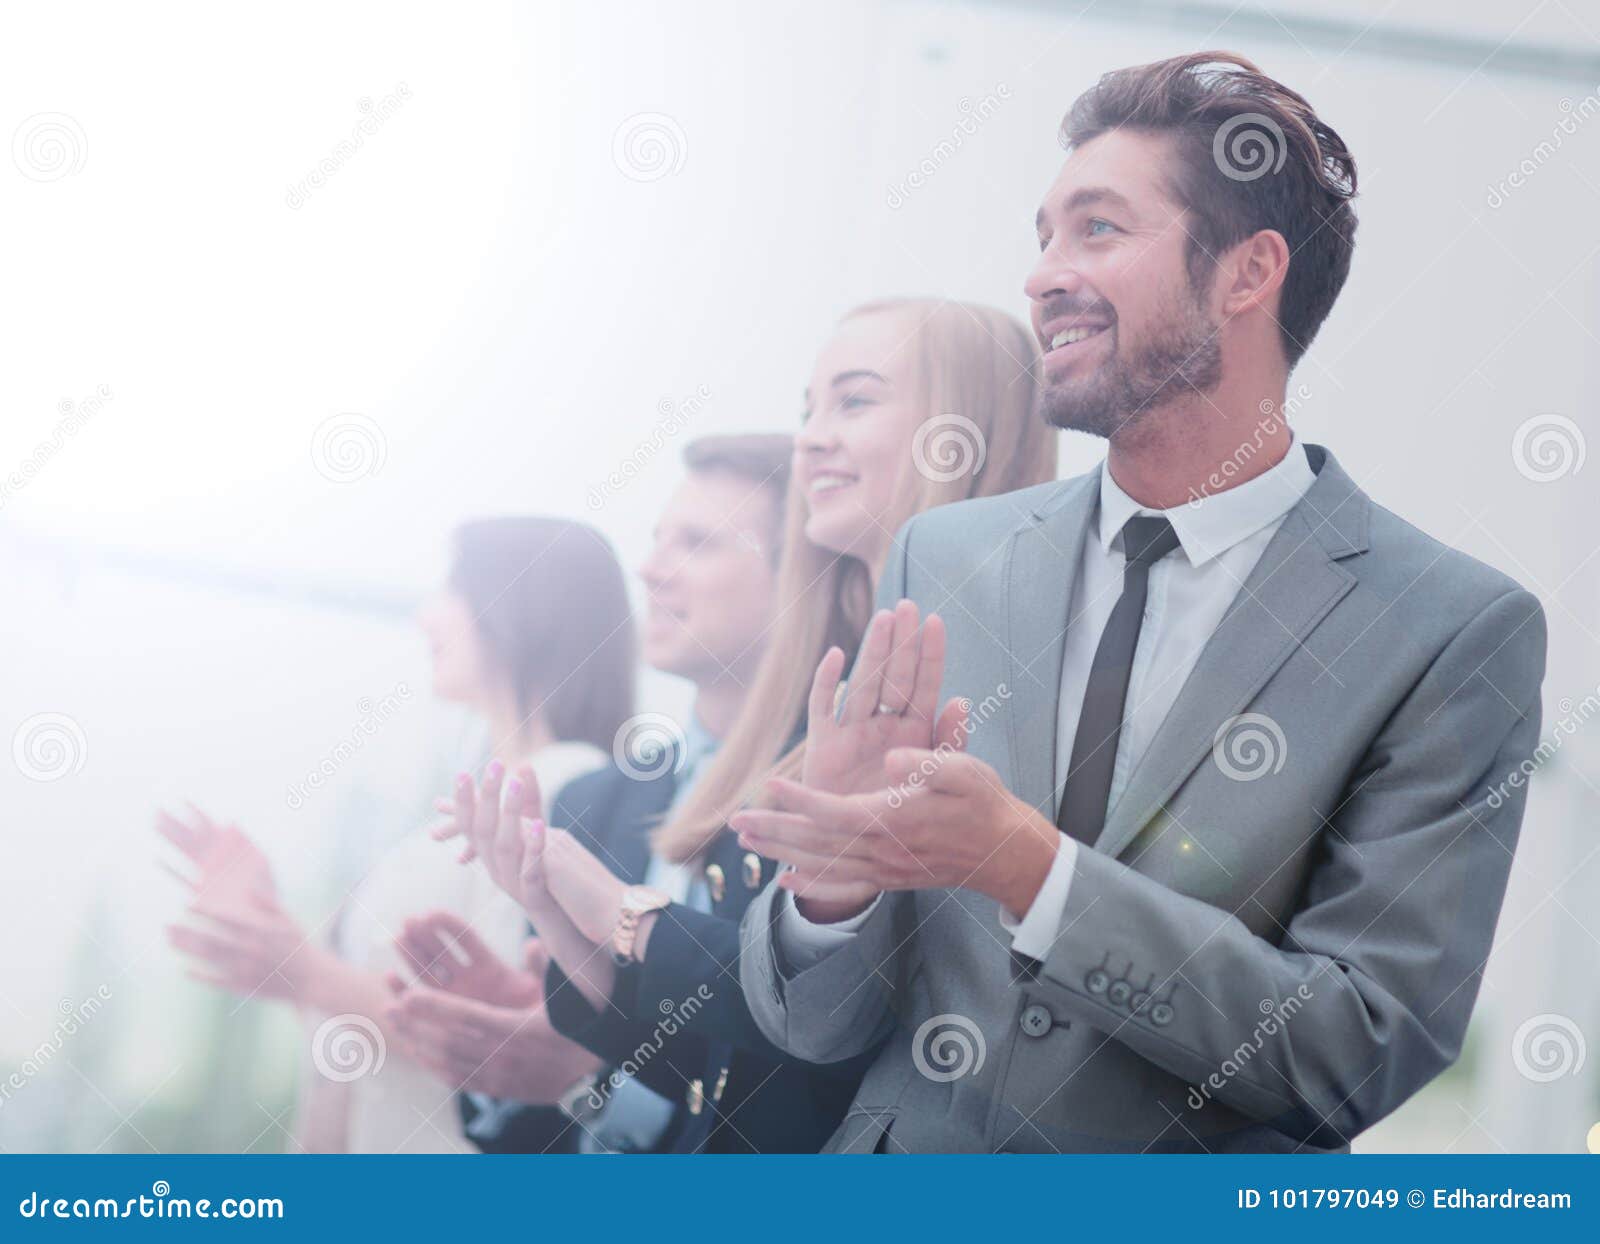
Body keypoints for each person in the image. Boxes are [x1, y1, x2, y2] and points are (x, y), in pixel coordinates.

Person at [735, 52, 1548, 1154]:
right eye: (1042, 235)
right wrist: (834, 895)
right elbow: (823, 1028)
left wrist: (1030, 867)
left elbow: (1359, 1048)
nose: (1041, 275)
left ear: (1246, 273)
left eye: (1098, 230)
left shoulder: (1448, 627)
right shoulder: (946, 554)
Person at [419, 298, 1059, 1152]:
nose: (812, 441)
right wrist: (567, 926)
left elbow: (864, 1040)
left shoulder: (1015, 708)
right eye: (808, 411)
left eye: (855, 402)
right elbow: (738, 1068)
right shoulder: (795, 748)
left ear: (963, 427)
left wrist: (618, 917)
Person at [159, 516, 634, 1152]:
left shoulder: (569, 787)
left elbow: (508, 1042)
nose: (426, 618)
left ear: (520, 607)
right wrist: (276, 936)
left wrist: (305, 971)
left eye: (453, 589)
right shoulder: (477, 799)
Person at [388, 433, 792, 1152]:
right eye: (657, 539)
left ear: (803, 575)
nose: (651, 569)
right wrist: (523, 1046)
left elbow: (793, 1050)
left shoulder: (822, 806)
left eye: (697, 543)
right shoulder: (596, 805)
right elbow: (545, 1126)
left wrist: (591, 1076)